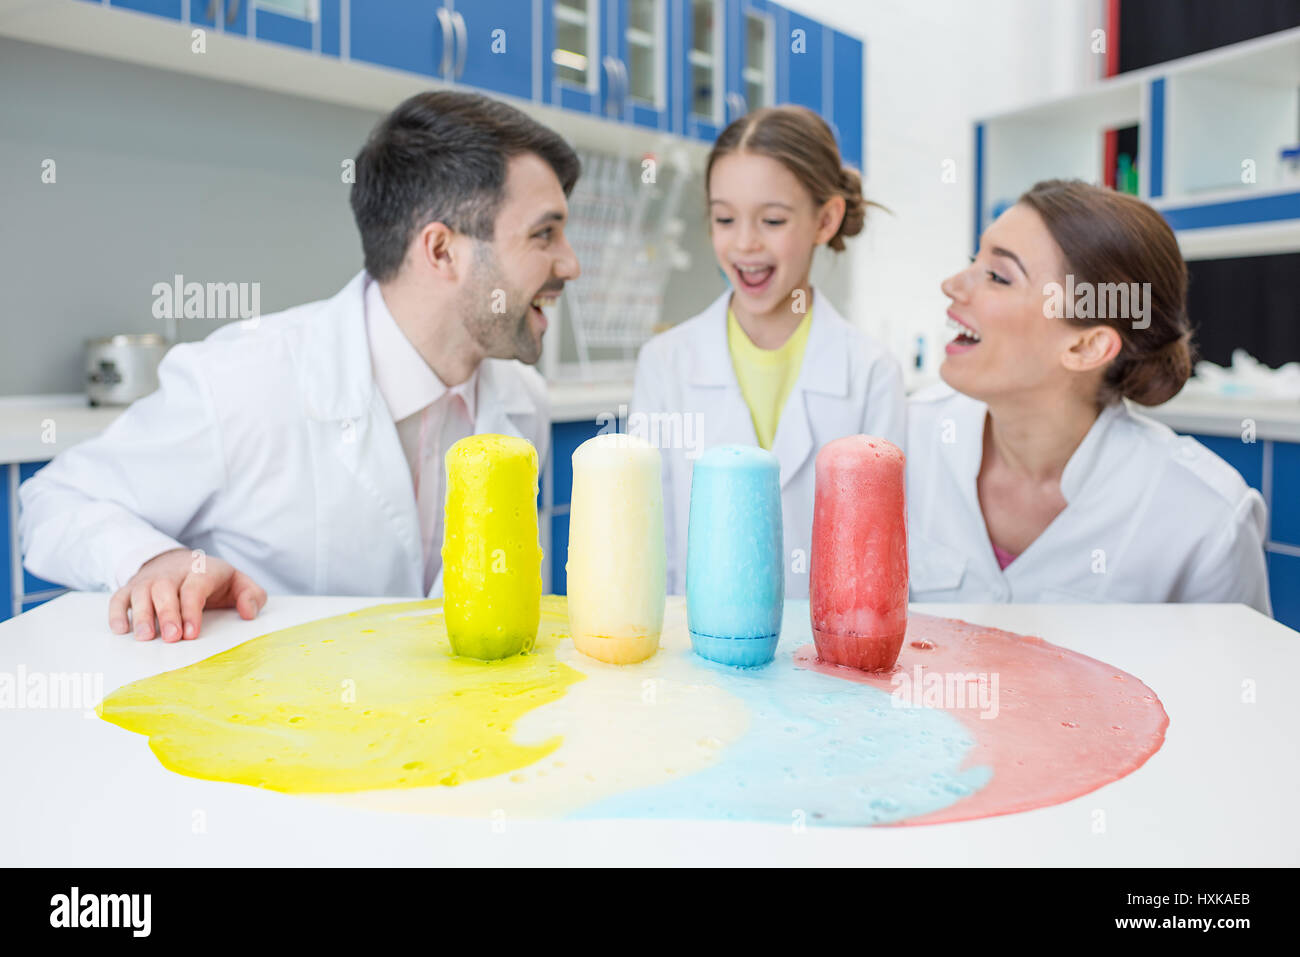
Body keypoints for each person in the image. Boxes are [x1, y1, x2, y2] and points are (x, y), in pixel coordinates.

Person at [19, 91, 581, 641]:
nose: (571, 264)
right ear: (440, 251)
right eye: (544, 234)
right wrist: (155, 561)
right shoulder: (243, 380)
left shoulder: (520, 399)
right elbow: (54, 502)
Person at [908, 178, 1271, 613]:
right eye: (973, 260)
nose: (953, 285)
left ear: (1086, 347)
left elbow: (1235, 679)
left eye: (998, 276)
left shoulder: (1205, 518)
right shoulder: (903, 440)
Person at [631, 105, 906, 599]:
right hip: (695, 654)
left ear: (825, 220)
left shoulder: (870, 373)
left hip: (825, 659)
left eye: (773, 220)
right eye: (724, 218)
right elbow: (652, 542)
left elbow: (885, 554)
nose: (744, 244)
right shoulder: (665, 362)